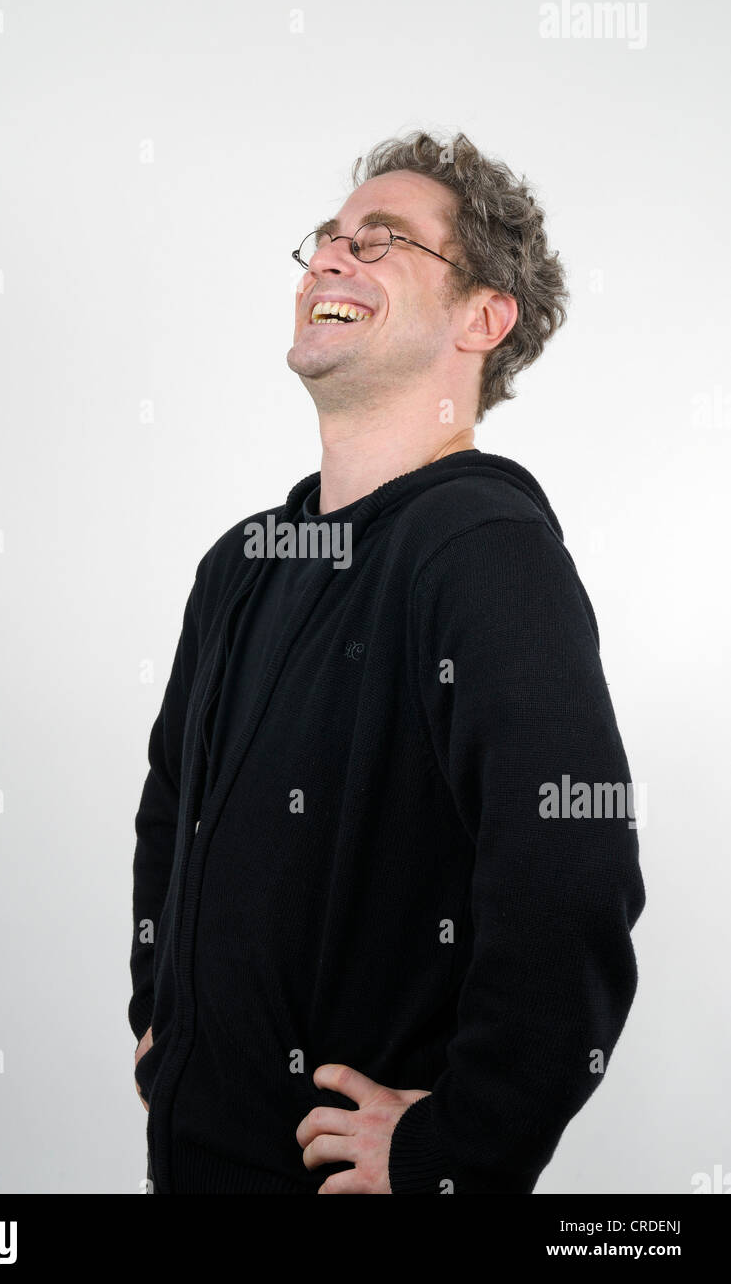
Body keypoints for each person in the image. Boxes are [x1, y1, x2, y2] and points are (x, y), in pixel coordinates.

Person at [129, 130, 646, 1194]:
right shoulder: (242, 565)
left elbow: (574, 861)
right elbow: (168, 812)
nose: (331, 256)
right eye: (327, 236)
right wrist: (160, 1019)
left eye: (383, 241)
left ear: (482, 317)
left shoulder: (480, 550)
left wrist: (456, 1149)